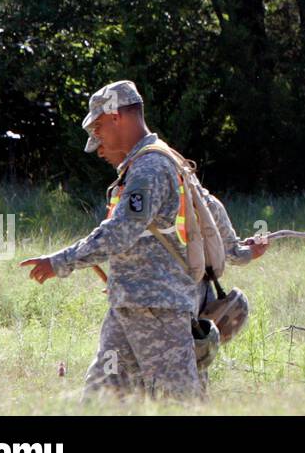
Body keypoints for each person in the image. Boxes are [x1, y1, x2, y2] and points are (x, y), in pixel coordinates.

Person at [21, 81, 203, 400]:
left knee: (178, 402)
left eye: (98, 126)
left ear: (116, 116)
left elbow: (119, 232)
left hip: (158, 310)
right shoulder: (141, 166)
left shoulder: (150, 168)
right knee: (100, 397)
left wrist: (59, 262)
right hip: (128, 308)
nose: (97, 137)